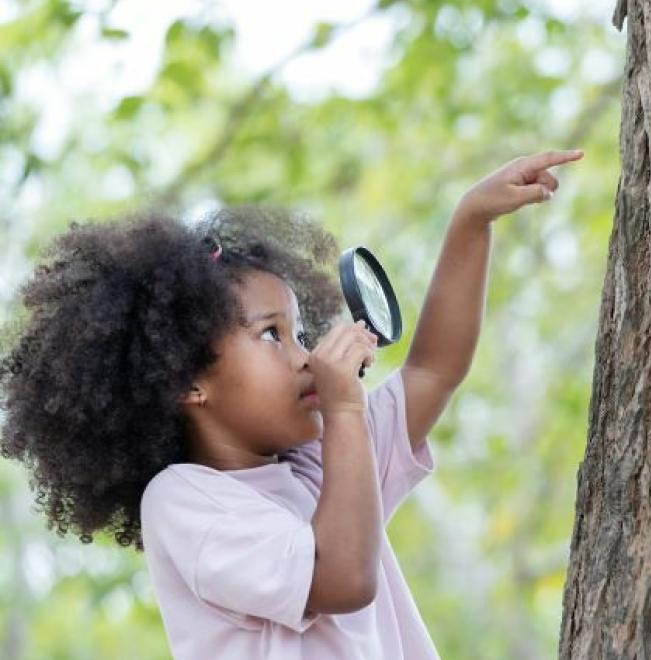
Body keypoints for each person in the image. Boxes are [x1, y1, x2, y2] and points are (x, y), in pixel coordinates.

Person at [0, 149, 583, 659]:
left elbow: (434, 368)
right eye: (271, 335)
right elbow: (344, 577)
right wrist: (347, 413)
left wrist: (470, 220)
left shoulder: (316, 463)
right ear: (186, 382)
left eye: (301, 333)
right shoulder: (183, 501)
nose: (304, 357)